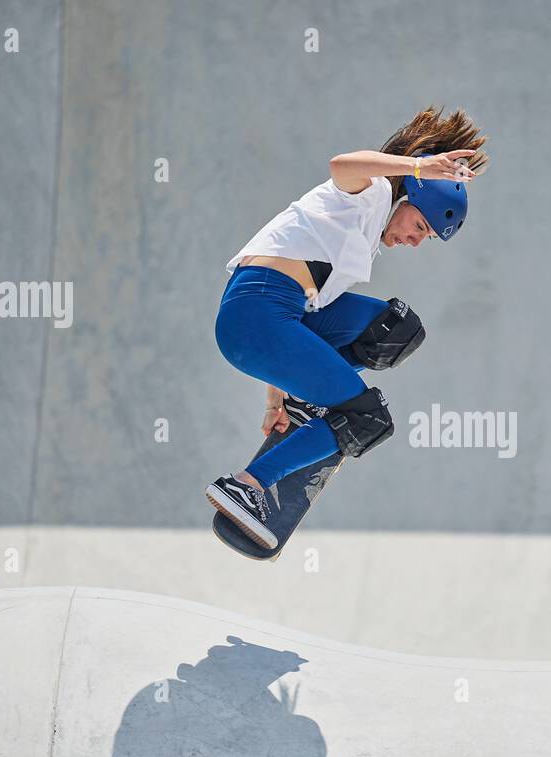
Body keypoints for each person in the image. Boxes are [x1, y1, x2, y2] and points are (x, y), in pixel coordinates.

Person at [206, 106, 489, 549]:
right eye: (419, 226)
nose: (414, 241)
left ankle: (314, 402)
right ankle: (248, 486)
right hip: (256, 314)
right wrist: (418, 165)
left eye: (426, 238)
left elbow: (296, 333)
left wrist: (276, 400)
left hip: (272, 314)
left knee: (396, 329)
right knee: (368, 419)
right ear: (407, 197)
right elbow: (342, 164)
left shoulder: (360, 234)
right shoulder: (371, 192)